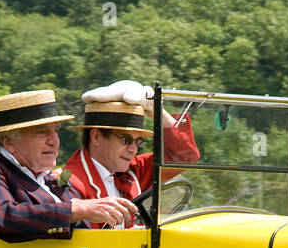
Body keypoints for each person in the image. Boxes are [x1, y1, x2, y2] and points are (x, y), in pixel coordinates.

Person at [0, 89, 136, 242]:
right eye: (41, 132)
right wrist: (78, 208)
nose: (54, 141)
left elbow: (81, 229)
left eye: (55, 130)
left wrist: (126, 237)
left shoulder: (51, 179)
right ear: (8, 142)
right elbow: (1, 217)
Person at [62, 81, 200, 229]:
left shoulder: (132, 170)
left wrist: (153, 108)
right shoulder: (69, 183)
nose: (133, 149)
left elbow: (185, 156)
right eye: (125, 140)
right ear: (96, 136)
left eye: (138, 142)